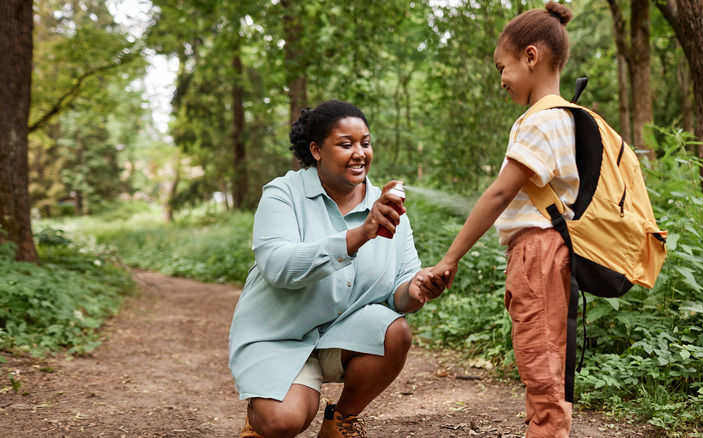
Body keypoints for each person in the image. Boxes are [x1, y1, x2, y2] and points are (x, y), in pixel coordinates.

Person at [228, 99, 446, 438]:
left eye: (365, 143)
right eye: (346, 144)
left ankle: (339, 423)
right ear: (316, 150)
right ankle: (260, 418)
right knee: (282, 422)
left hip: (341, 335)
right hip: (279, 336)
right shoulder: (283, 194)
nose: (360, 153)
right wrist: (360, 234)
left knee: (396, 332)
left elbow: (400, 291)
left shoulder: (389, 209)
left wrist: (416, 288)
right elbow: (277, 265)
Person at [428, 3, 577, 437]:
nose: (501, 80)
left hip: (537, 251)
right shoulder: (569, 117)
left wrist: (450, 258)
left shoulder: (539, 122)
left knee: (540, 358)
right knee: (546, 355)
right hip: (555, 249)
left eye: (502, 67)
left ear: (531, 57)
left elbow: (498, 194)